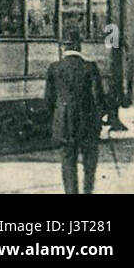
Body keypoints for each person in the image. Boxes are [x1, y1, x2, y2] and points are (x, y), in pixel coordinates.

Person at [44, 28, 105, 195]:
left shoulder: (54, 68)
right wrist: (100, 119)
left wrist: (56, 118)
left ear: (64, 47)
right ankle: (88, 191)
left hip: (64, 123)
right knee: (89, 163)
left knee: (68, 163)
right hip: (87, 122)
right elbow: (99, 98)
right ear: (79, 46)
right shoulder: (90, 67)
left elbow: (48, 100)